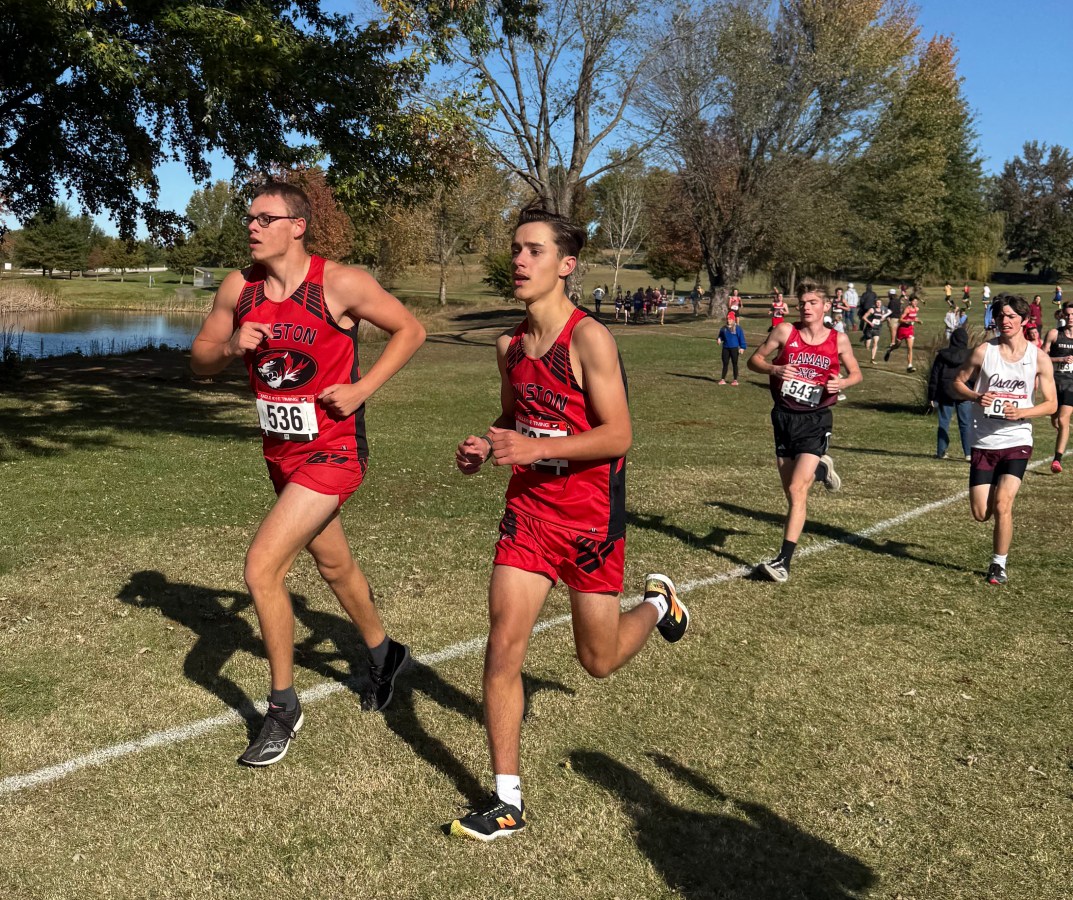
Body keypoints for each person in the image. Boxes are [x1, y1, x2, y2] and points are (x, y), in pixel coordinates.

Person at [450, 205, 690, 841]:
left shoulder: (590, 339)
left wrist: (538, 448)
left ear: (566, 265)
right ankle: (507, 801)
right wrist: (487, 445)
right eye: (515, 249)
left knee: (598, 660)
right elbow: (513, 420)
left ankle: (658, 605)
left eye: (534, 250)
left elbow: (619, 435)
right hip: (529, 513)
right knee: (503, 646)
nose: (519, 260)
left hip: (588, 519)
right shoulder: (509, 346)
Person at [190, 181, 425, 766]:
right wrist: (230, 348)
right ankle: (384, 653)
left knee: (262, 568)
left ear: (297, 226)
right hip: (280, 454)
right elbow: (199, 361)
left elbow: (411, 330)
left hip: (335, 451)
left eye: (264, 218)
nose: (252, 227)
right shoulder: (239, 288)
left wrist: (363, 388)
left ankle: (282, 707)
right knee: (334, 564)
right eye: (249, 218)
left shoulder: (338, 283)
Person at [746, 281, 863, 582]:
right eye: (802, 303)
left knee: (798, 490)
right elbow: (754, 360)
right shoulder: (785, 332)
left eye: (812, 302)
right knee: (791, 491)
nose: (806, 307)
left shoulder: (838, 340)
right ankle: (821, 469)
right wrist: (774, 369)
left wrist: (842, 383)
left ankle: (783, 562)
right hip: (784, 417)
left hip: (815, 419)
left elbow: (856, 374)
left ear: (826, 306)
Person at [951, 294, 1057, 585]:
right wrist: (976, 396)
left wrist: (1022, 412)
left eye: (1011, 316)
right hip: (984, 440)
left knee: (1003, 504)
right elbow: (957, 382)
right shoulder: (984, 351)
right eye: (1000, 316)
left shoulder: (1038, 357)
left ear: (1024, 320)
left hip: (1017, 438)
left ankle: (998, 565)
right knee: (981, 513)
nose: (1005, 321)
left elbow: (1051, 404)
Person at [927, 327, 973, 460]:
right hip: (964, 392)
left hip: (945, 392)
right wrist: (974, 393)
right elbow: (974, 376)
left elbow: (935, 376)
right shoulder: (970, 355)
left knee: (944, 423)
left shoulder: (942, 355)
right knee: (965, 424)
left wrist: (932, 395)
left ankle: (941, 451)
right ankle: (968, 453)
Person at [1043, 301, 1073, 473]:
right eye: (1067, 315)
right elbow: (1042, 357)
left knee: (1063, 419)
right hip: (1053, 383)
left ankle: (1057, 460)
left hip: (1071, 384)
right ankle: (1061, 430)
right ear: (1063, 316)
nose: (1070, 318)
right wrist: (1059, 359)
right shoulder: (1054, 334)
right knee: (1055, 419)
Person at [883, 296, 920, 371]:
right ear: (910, 302)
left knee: (910, 347)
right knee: (897, 345)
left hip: (910, 330)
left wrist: (917, 320)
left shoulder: (917, 309)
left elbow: (914, 318)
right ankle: (889, 350)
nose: (915, 303)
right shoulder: (907, 309)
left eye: (916, 301)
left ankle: (909, 366)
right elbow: (900, 320)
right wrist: (909, 321)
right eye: (914, 301)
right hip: (902, 329)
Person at [717, 313, 746, 384]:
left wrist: (742, 347)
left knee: (734, 363)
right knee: (725, 363)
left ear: (733, 320)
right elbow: (721, 336)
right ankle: (723, 379)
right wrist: (719, 339)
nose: (728, 320)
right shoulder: (724, 328)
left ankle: (735, 380)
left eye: (730, 319)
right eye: (727, 319)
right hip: (725, 348)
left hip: (734, 348)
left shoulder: (737, 328)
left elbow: (741, 338)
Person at [861, 296, 890, 364]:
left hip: (877, 328)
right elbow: (864, 317)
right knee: (867, 346)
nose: (878, 304)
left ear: (881, 303)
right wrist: (870, 323)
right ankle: (865, 338)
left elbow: (881, 320)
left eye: (880, 303)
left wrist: (886, 319)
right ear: (875, 303)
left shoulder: (882, 311)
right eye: (877, 302)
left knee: (875, 342)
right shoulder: (872, 310)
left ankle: (872, 359)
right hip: (869, 328)